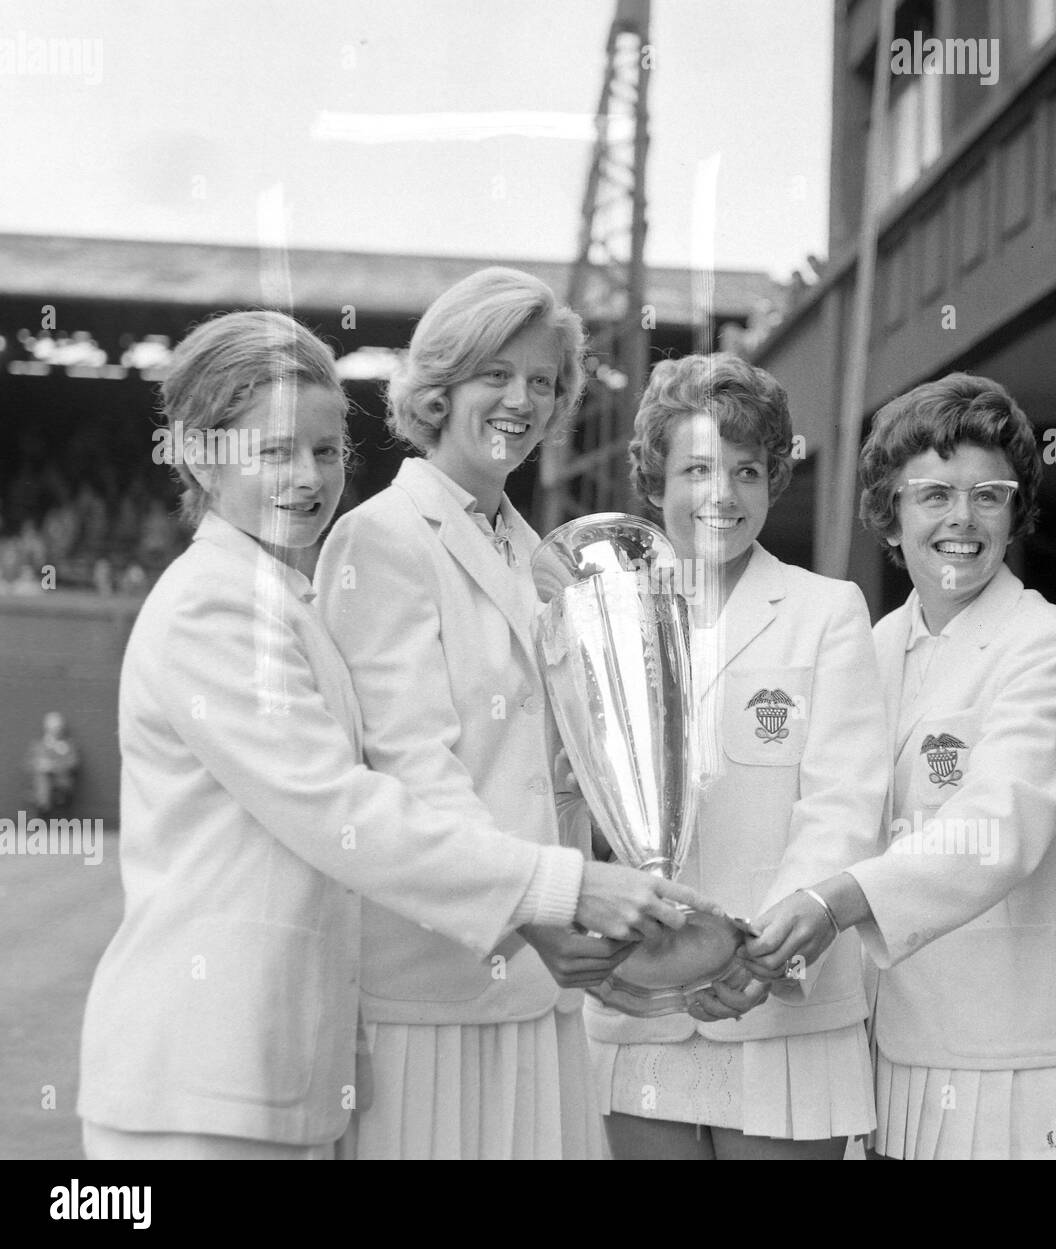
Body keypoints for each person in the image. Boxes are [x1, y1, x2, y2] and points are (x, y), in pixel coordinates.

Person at [78, 308, 693, 1161]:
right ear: (198, 455)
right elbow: (346, 811)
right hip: (200, 1078)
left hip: (276, 1072)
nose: (308, 478)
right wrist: (563, 889)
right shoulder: (213, 606)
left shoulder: (279, 596)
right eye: (274, 451)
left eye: (327, 450)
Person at [315, 268, 704, 1160]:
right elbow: (414, 768)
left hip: (541, 988)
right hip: (436, 990)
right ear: (440, 387)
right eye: (496, 373)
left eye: (543, 381)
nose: (522, 401)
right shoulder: (381, 536)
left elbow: (560, 770)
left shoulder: (534, 554)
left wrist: (619, 900)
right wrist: (537, 914)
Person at [746, 372, 1056, 1159]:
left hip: (1013, 1061)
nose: (962, 519)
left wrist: (835, 902)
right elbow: (822, 810)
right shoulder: (872, 647)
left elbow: (996, 827)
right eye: (934, 494)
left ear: (1015, 511)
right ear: (891, 510)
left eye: (989, 495)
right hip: (886, 1049)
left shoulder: (1048, 643)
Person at [582, 353, 889, 1160]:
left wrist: (763, 953)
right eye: (697, 469)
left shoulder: (827, 611)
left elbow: (844, 804)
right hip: (640, 1001)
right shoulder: (603, 617)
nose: (722, 494)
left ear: (773, 480)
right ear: (655, 482)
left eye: (747, 470)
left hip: (779, 1002)